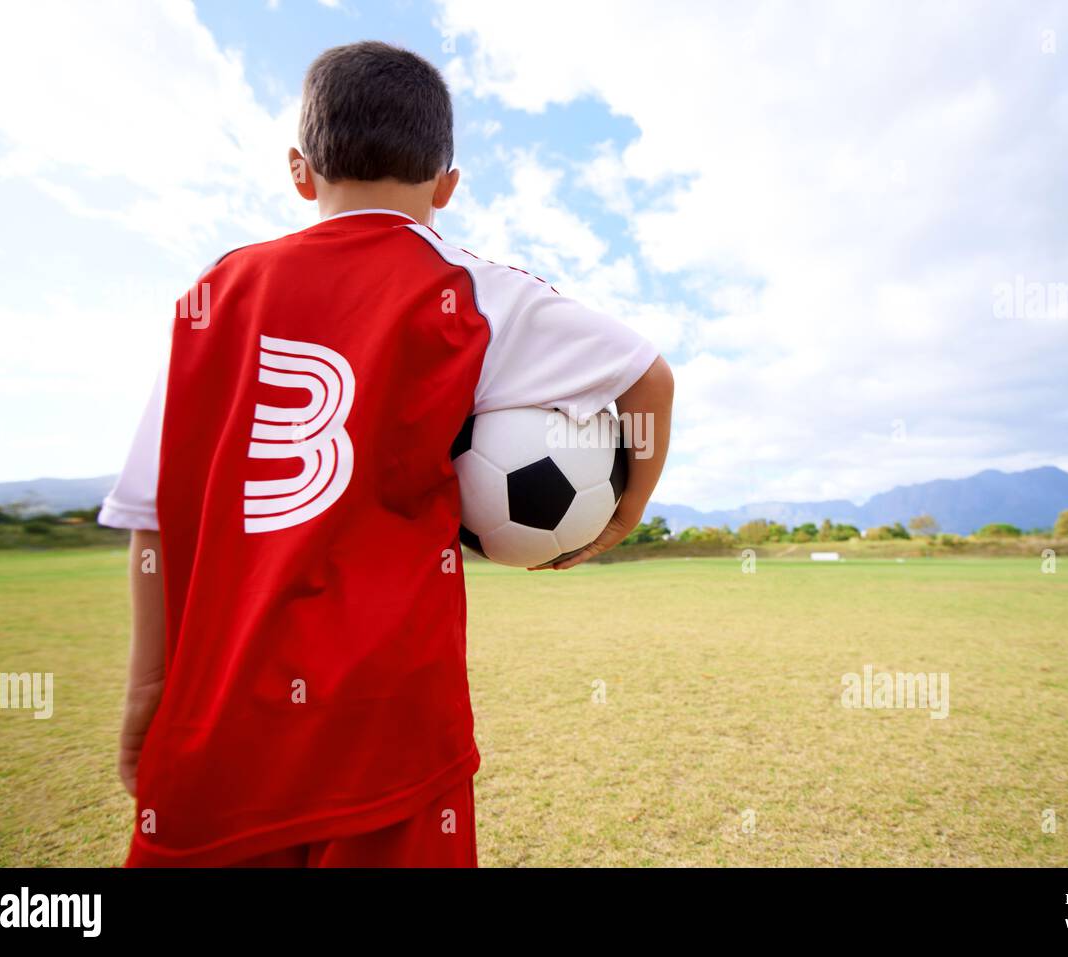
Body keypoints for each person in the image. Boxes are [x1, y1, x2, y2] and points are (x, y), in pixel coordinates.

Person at [98, 41, 673, 867]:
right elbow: (647, 376)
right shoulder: (472, 291)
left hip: (216, 731)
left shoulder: (211, 296)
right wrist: (624, 513)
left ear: (301, 171)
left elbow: (152, 520)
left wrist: (150, 691)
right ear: (446, 186)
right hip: (393, 729)